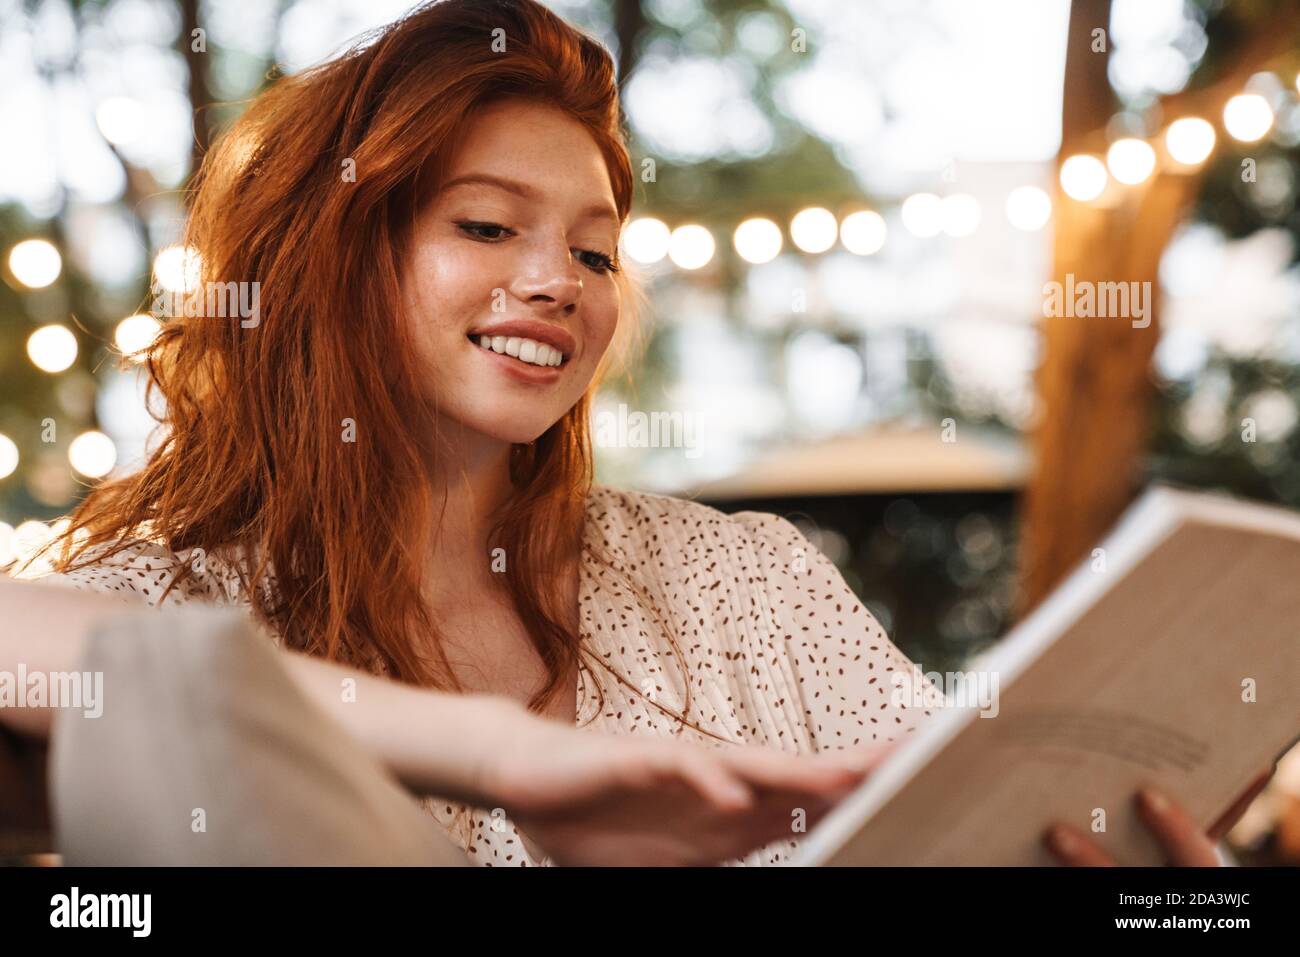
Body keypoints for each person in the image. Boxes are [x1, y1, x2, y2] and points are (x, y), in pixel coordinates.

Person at [17, 0, 1261, 866]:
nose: (561, 280)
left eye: (595, 247)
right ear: (326, 267)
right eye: (490, 227)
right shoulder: (152, 601)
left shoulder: (748, 585)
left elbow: (951, 823)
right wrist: (509, 757)